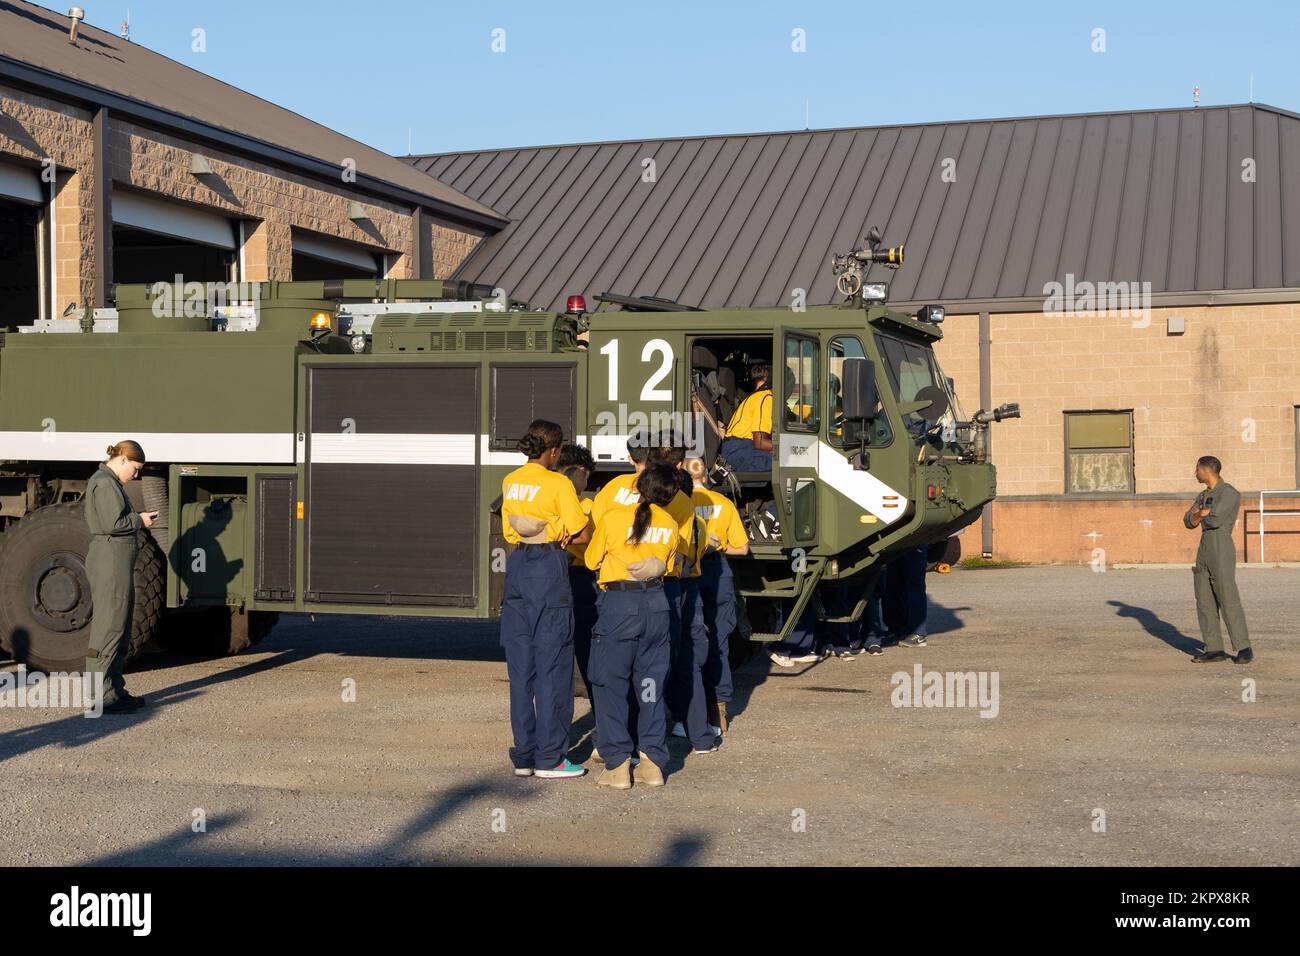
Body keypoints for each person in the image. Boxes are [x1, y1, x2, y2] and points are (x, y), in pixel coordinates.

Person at [499, 420, 591, 779]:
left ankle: (524, 755)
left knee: (521, 670)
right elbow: (579, 533)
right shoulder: (559, 483)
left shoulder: (511, 480)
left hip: (518, 565)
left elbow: (510, 527)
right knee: (553, 666)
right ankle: (551, 757)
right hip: (549, 569)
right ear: (554, 451)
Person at [584, 464, 683, 789]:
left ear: (640, 486)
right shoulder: (670, 523)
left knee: (610, 684)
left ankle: (617, 764)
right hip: (656, 607)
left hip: (619, 606)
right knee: (650, 686)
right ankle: (652, 763)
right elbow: (668, 565)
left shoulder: (613, 518)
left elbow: (590, 559)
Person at [84, 441, 158, 714]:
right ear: (124, 459)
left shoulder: (109, 482)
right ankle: (102, 695)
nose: (136, 476)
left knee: (120, 626)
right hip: (109, 563)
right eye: (136, 469)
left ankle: (114, 689)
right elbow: (113, 524)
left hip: (115, 562)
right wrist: (140, 520)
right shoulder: (104, 483)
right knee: (109, 628)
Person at [685, 456, 748, 733]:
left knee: (691, 640)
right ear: (706, 476)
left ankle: (688, 710)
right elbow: (742, 548)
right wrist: (718, 548)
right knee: (719, 641)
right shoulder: (723, 504)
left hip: (690, 570)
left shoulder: (681, 504)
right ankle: (720, 708)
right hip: (718, 571)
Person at [1184, 456, 1252, 663]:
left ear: (1206, 470)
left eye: (1197, 469)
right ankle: (1214, 648)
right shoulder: (1203, 495)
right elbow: (1188, 520)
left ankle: (1243, 647)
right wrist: (1199, 514)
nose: (1195, 473)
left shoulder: (1229, 493)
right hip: (1204, 548)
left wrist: (1201, 515)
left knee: (1227, 596)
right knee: (1204, 599)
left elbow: (1215, 519)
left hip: (1221, 547)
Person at [557, 443, 597, 702]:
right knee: (586, 640)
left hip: (554, 576)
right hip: (582, 578)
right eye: (587, 474)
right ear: (578, 471)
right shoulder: (587, 506)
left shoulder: (549, 501)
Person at [719, 363, 773, 471]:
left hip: (735, 449)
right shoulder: (766, 397)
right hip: (740, 451)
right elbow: (760, 442)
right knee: (788, 460)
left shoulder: (753, 397)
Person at [882, 546, 929, 648]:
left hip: (916, 542)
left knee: (913, 587)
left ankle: (918, 633)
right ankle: (895, 630)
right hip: (896, 544)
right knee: (891, 586)